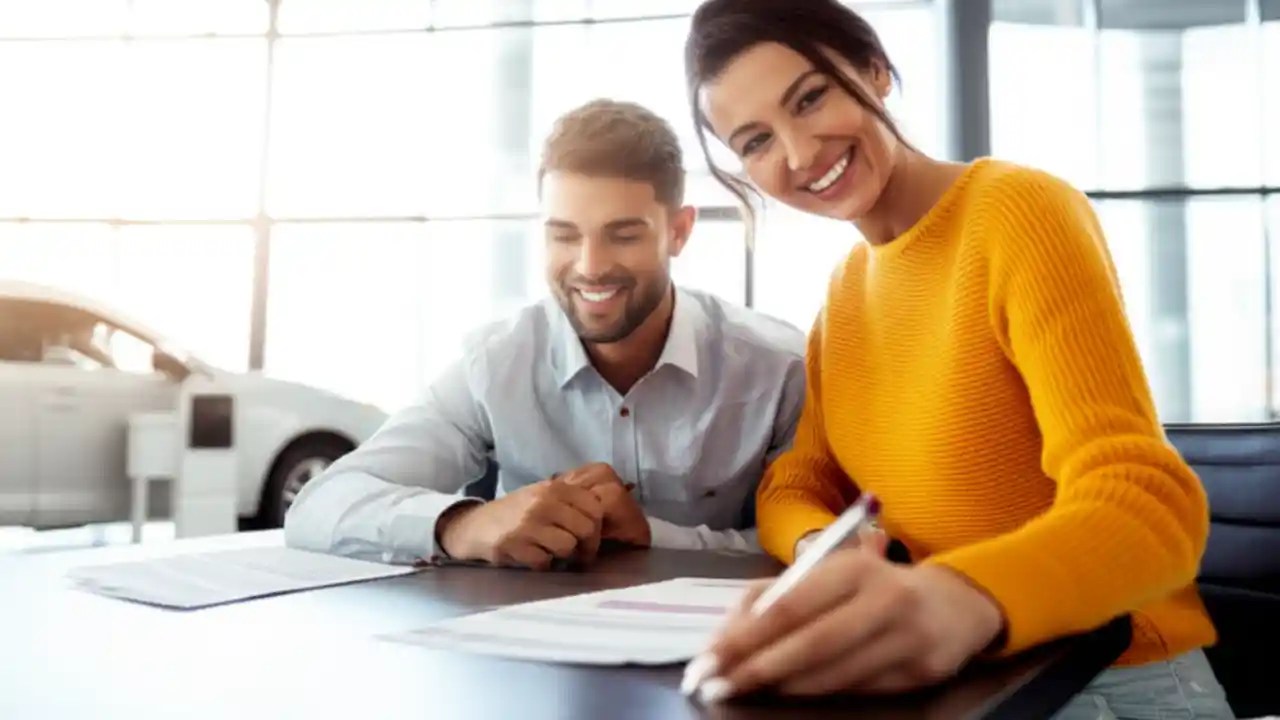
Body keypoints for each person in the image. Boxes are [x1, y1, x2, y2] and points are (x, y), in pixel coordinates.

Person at [677, 1, 1234, 718]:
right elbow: (794, 485)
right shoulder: (846, 293)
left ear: (874, 73)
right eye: (755, 141)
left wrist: (961, 595)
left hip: (1111, 678)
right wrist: (828, 544)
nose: (798, 153)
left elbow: (1147, 502)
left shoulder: (1017, 213)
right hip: (962, 682)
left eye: (810, 97)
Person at [284, 99, 806, 569]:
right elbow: (320, 506)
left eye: (623, 235)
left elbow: (827, 541)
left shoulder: (777, 368)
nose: (590, 266)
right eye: (563, 235)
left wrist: (656, 537)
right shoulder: (496, 362)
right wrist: (462, 525)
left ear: (679, 231)